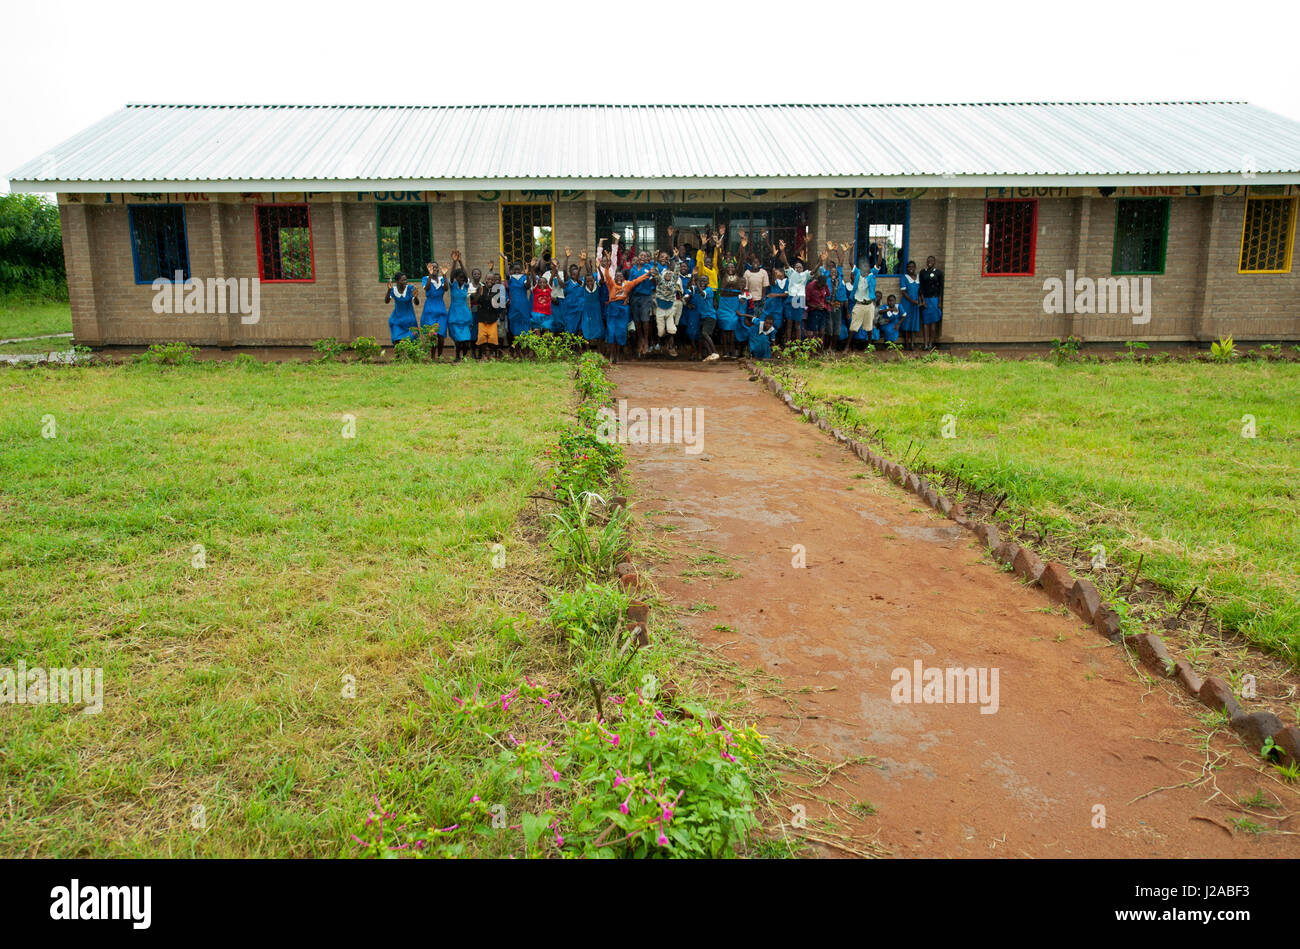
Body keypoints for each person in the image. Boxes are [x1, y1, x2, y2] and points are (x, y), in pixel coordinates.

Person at [603, 265, 655, 365]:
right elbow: (607, 277)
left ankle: (618, 355)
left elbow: (637, 280)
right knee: (611, 333)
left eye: (620, 277)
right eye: (616, 277)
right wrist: (606, 267)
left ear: (623, 278)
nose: (618, 278)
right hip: (612, 311)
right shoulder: (611, 284)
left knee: (620, 333)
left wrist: (647, 274)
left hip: (622, 311)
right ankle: (612, 355)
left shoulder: (627, 284)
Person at [445, 252, 474, 362]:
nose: (462, 279)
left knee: (466, 339)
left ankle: (465, 356)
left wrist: (461, 261)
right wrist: (454, 262)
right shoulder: (453, 286)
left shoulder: (466, 286)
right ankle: (457, 356)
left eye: (463, 278)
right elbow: (451, 276)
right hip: (454, 314)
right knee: (458, 339)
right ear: (456, 278)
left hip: (465, 315)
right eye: (459, 277)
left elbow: (466, 275)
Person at [628, 250, 656, 356]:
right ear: (638, 257)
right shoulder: (633, 269)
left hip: (646, 297)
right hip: (635, 297)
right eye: (641, 256)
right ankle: (640, 339)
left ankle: (646, 340)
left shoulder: (649, 267)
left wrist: (653, 276)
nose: (643, 257)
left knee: (645, 320)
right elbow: (630, 284)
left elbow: (654, 283)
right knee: (637, 321)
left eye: (645, 256)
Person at [687, 272, 719, 362]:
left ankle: (715, 352)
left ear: (708, 283)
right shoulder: (696, 289)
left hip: (710, 316)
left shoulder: (709, 290)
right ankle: (710, 355)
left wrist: (697, 282)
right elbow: (689, 287)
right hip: (703, 316)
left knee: (705, 333)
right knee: (702, 336)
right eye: (701, 280)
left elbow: (702, 293)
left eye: (704, 281)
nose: (702, 282)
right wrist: (693, 277)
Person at [716, 261, 745, 359]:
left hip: (733, 304)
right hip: (724, 305)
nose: (730, 268)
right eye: (728, 267)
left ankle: (732, 352)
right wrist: (719, 248)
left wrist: (743, 247)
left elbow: (742, 262)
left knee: (732, 330)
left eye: (732, 267)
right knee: (724, 330)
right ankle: (725, 352)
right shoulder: (723, 275)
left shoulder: (738, 275)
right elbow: (719, 264)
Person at [422, 260, 449, 358]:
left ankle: (440, 356)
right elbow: (427, 288)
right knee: (432, 335)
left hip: (441, 309)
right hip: (430, 310)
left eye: (436, 267)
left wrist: (445, 275)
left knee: (441, 335)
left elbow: (446, 289)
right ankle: (432, 357)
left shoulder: (442, 279)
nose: (435, 269)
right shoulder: (425, 278)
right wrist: (429, 275)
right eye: (432, 268)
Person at [504, 256, 532, 350]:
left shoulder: (524, 277)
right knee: (514, 324)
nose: (516, 271)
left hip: (523, 304)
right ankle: (517, 349)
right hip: (514, 305)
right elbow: (506, 273)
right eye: (514, 269)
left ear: (521, 270)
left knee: (525, 324)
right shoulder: (510, 278)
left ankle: (525, 349)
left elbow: (528, 286)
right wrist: (505, 260)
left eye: (518, 269)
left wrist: (527, 274)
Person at [385, 273, 419, 344]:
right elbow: (386, 301)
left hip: (409, 320)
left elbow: (417, 303)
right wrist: (388, 290)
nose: (405, 282)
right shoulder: (393, 289)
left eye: (406, 280)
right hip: (397, 320)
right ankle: (398, 355)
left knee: (411, 341)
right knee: (397, 340)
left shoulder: (410, 288)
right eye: (403, 280)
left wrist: (415, 297)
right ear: (397, 281)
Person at [478, 270, 504, 359]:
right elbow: (476, 301)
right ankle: (484, 355)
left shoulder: (497, 290)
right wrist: (479, 295)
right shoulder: (481, 289)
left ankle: (492, 354)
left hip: (492, 318)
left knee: (493, 338)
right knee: (482, 338)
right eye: (488, 279)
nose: (490, 281)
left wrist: (495, 303)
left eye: (492, 280)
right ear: (485, 280)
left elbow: (500, 305)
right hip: (482, 318)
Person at [920, 255, 944, 351]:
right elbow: (921, 287)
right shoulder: (923, 272)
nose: (930, 262)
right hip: (926, 300)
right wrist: (923, 301)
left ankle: (931, 344)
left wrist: (939, 301)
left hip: (934, 300)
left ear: (934, 262)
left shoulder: (938, 273)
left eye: (932, 260)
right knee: (926, 323)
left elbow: (941, 288)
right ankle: (925, 344)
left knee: (933, 323)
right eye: (928, 260)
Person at [899, 260, 922, 350]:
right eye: (909, 267)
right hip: (907, 303)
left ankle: (912, 343)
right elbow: (904, 292)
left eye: (912, 267)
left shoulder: (918, 277)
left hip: (916, 304)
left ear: (915, 267)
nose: (910, 268)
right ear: (907, 268)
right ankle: (906, 343)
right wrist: (912, 301)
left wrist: (919, 301)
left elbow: (920, 291)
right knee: (906, 322)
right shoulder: (904, 277)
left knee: (914, 323)